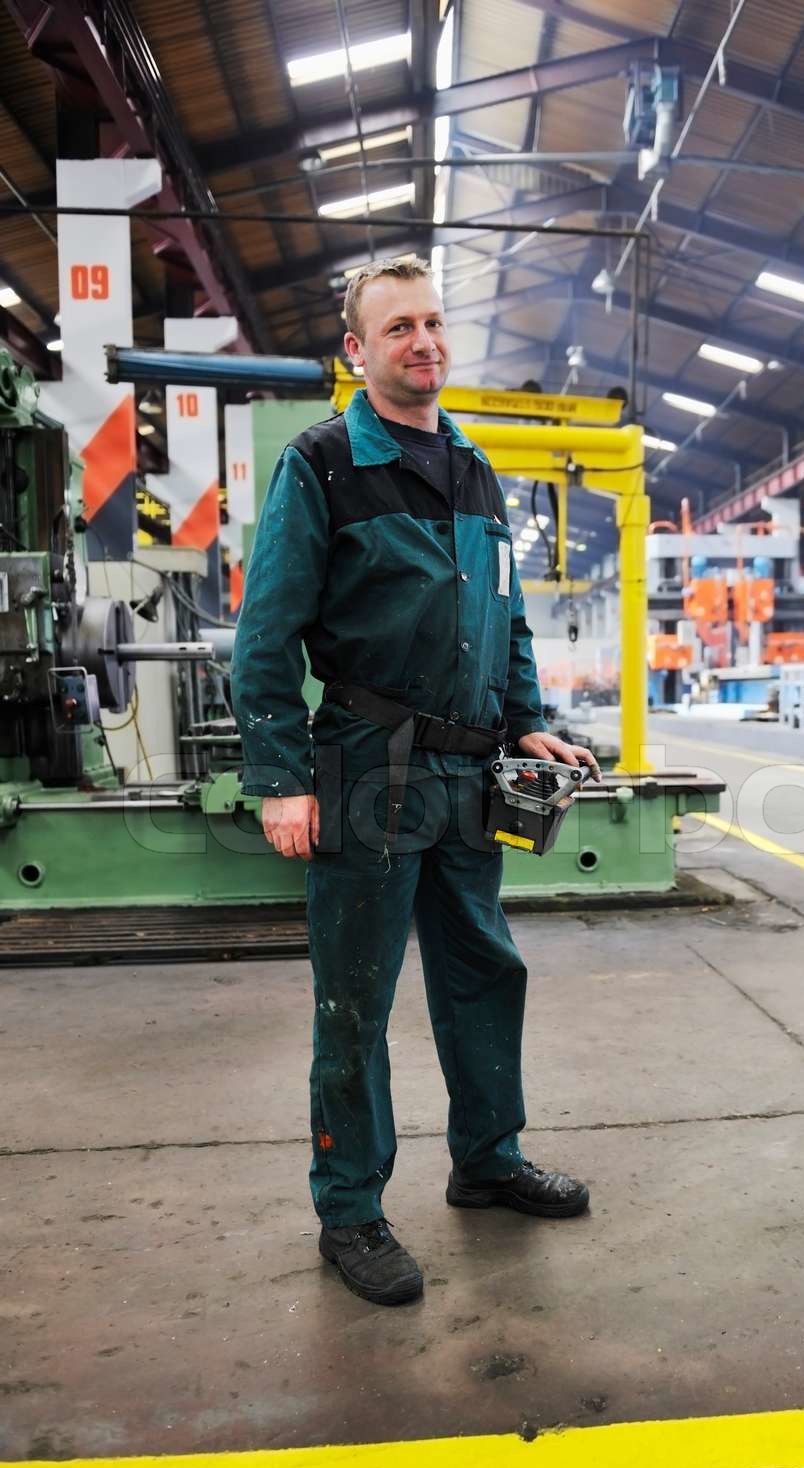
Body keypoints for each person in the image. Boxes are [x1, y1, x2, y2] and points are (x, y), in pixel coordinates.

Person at [231, 255, 598, 1308]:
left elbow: (507, 616)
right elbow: (268, 634)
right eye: (396, 328)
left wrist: (525, 725)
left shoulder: (475, 468)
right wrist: (279, 773)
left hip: (468, 767)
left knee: (484, 966)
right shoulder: (322, 466)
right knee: (355, 999)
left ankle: (487, 1159)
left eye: (433, 322)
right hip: (363, 764)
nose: (421, 341)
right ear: (356, 350)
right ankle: (348, 1210)